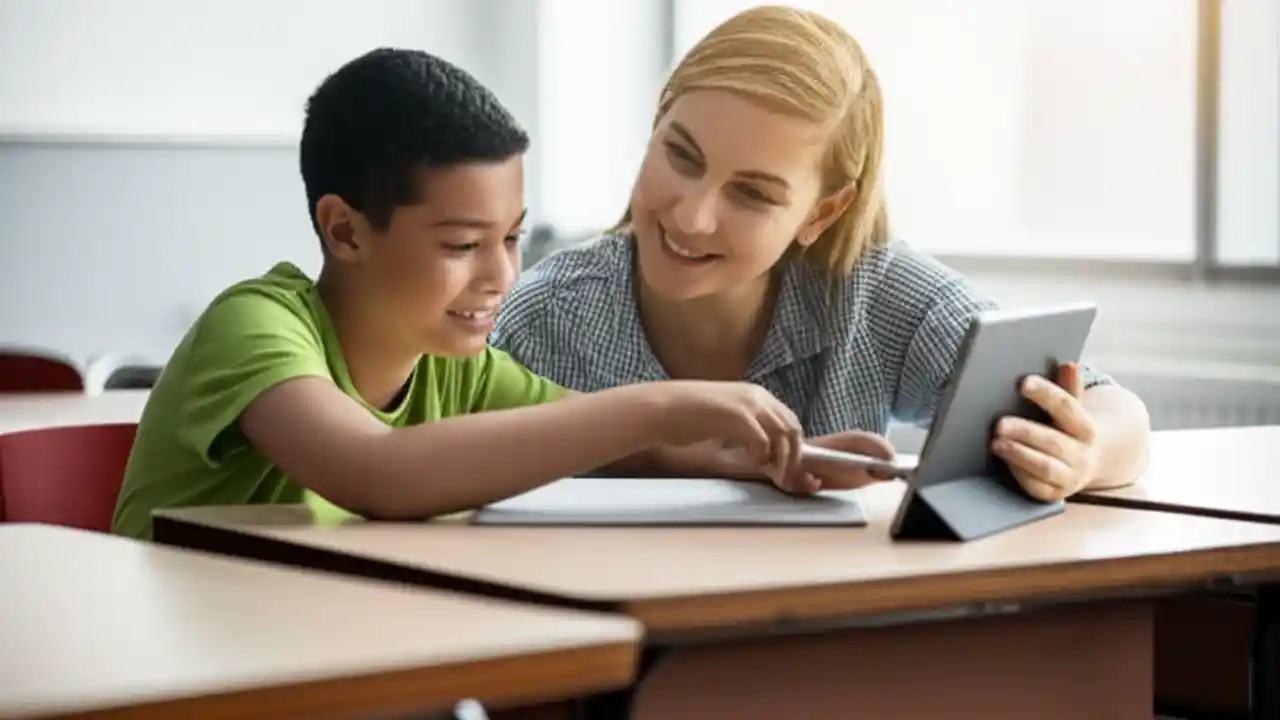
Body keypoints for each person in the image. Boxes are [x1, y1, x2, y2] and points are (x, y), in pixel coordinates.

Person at [111, 48, 835, 540]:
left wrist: (780, 457)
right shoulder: (255, 326)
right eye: (461, 245)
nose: (501, 276)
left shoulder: (460, 367)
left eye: (512, 238)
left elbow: (619, 449)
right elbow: (377, 473)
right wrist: (663, 401)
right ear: (345, 230)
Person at [492, 6, 1151, 502]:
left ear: (821, 213)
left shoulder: (875, 293)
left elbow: (1115, 412)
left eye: (752, 195)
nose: (692, 216)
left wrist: (1084, 456)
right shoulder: (550, 315)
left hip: (824, 639)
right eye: (681, 156)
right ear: (656, 124)